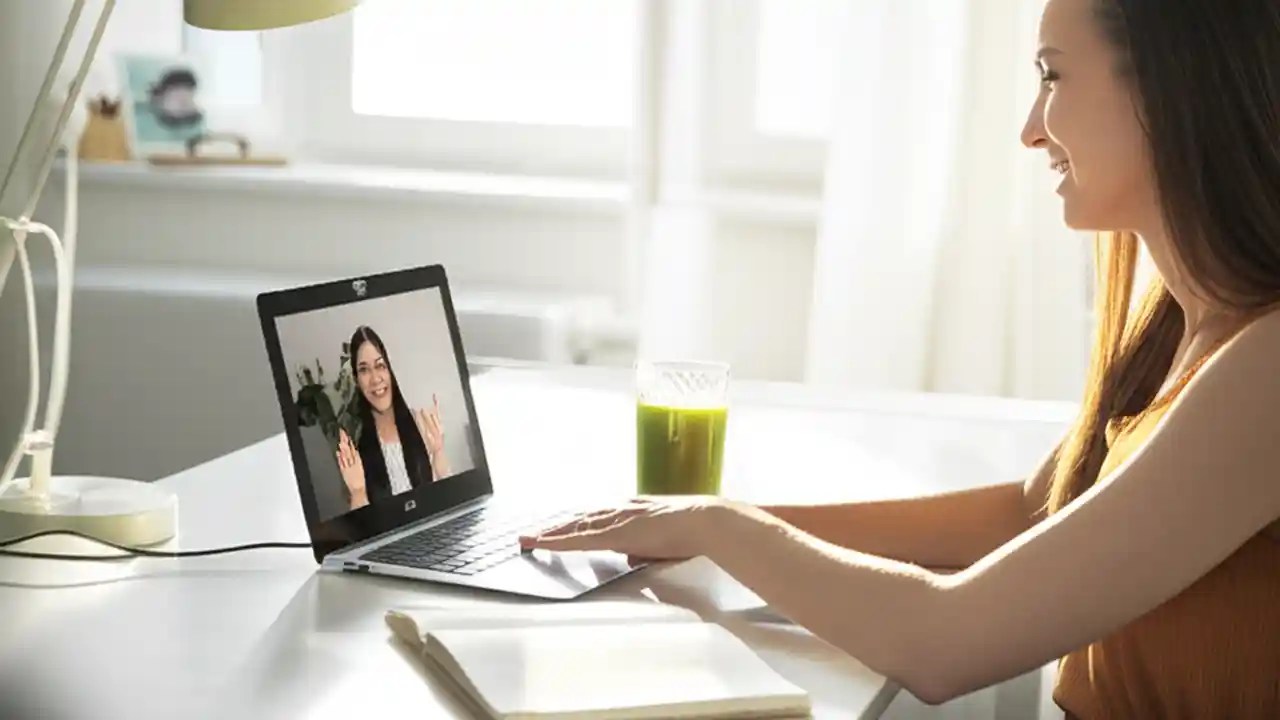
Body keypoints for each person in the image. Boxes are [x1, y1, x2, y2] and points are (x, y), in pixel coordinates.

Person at [520, 0, 1280, 714]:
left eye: (1052, 75)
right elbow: (1032, 512)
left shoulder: (1266, 369)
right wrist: (699, 521)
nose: (1030, 130)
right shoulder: (1185, 325)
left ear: (1173, 91)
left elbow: (943, 641)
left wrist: (723, 530)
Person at [336, 326, 451, 510]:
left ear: (389, 370)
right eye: (364, 370)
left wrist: (438, 452)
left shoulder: (420, 423)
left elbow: (449, 499)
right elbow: (362, 530)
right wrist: (358, 492)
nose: (375, 379)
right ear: (357, 380)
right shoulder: (355, 442)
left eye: (380, 366)